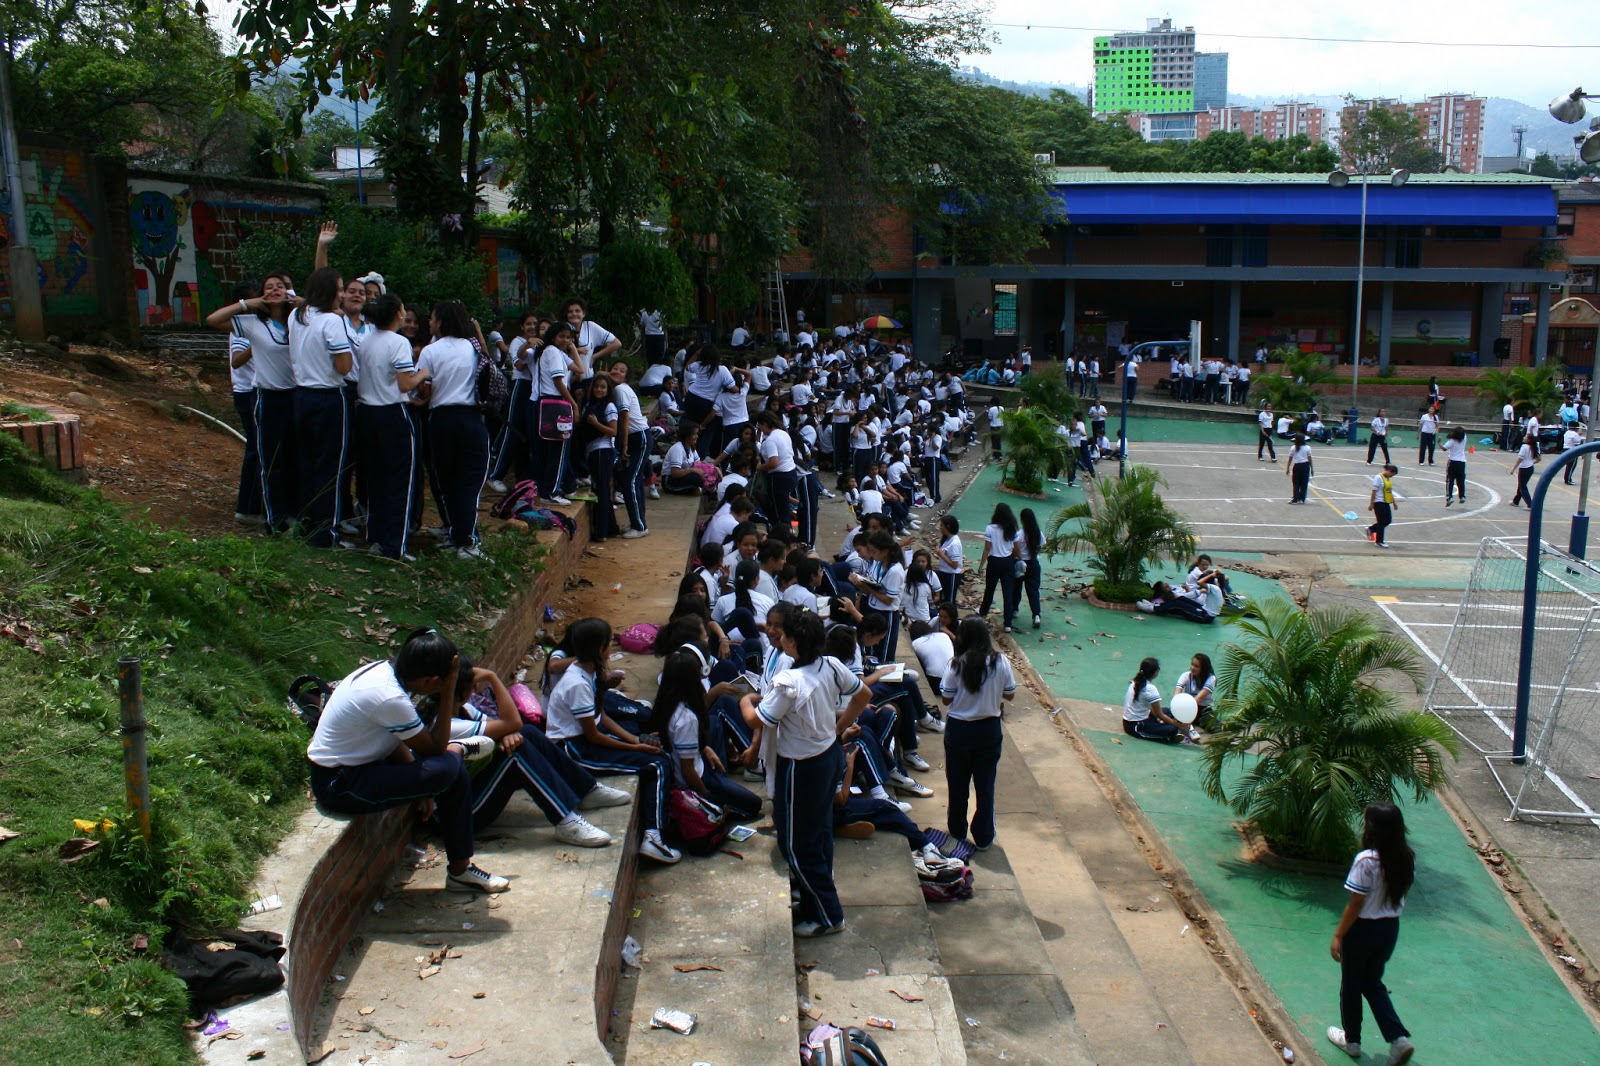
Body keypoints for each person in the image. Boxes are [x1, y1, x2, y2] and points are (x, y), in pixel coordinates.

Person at [307, 628, 510, 893]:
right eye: (441, 683)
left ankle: (461, 871)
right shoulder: (389, 697)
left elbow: (394, 739)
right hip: (340, 784)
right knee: (448, 765)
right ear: (429, 681)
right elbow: (435, 749)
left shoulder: (385, 672)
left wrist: (422, 786)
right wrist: (448, 694)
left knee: (451, 771)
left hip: (358, 767)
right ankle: (460, 749)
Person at [742, 610, 871, 937]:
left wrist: (745, 700)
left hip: (801, 767)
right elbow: (863, 695)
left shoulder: (790, 683)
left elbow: (757, 720)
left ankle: (828, 915)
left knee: (797, 843)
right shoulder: (831, 665)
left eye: (784, 634)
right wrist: (838, 728)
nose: (779, 637)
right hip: (827, 756)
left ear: (793, 642)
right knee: (819, 832)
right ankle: (815, 901)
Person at [443, 654, 627, 847]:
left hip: (474, 788)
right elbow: (511, 723)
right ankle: (566, 821)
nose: (476, 685)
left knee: (527, 732)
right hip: (460, 816)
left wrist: (506, 732)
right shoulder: (449, 724)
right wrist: (493, 678)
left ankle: (586, 790)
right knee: (516, 754)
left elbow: (508, 726)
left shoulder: (465, 709)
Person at [543, 618, 682, 864]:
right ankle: (653, 837)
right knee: (657, 764)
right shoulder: (576, 683)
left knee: (653, 747)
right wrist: (633, 747)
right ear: (600, 649)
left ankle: (664, 823)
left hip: (585, 740)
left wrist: (635, 740)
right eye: (609, 643)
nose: (611, 648)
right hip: (574, 750)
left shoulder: (588, 671)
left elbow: (602, 717)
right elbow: (593, 736)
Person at [1325, 802, 1417, 1066]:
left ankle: (1352, 1040)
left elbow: (1356, 904)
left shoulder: (1367, 860)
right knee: (1372, 982)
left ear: (1373, 828)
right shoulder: (1407, 857)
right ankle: (1398, 1039)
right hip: (1389, 929)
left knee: (1351, 985)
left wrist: (1338, 935)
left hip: (1363, 930)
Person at [417, 301, 492, 559]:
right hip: (470, 419)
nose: (429, 322)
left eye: (432, 318)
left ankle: (457, 536)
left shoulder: (430, 351)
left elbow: (423, 390)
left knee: (447, 481)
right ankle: (468, 542)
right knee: (470, 481)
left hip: (441, 420)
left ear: (440, 322)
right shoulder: (472, 348)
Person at [650, 649, 762, 819]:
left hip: (697, 761)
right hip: (697, 779)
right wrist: (707, 797)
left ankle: (721, 781)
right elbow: (688, 771)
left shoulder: (665, 704)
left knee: (715, 722)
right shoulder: (686, 718)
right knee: (754, 805)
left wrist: (705, 748)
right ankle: (719, 800)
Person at [938, 618, 1015, 852]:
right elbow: (1010, 694)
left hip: (959, 730)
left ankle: (957, 832)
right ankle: (983, 836)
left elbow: (946, 698)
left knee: (957, 785)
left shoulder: (955, 664)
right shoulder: (1000, 662)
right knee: (985, 785)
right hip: (988, 730)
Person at [580, 372, 622, 540]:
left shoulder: (609, 406)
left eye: (603, 387)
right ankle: (611, 528)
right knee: (601, 489)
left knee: (602, 491)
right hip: (592, 451)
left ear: (608, 390)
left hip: (602, 451)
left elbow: (613, 431)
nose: (599, 389)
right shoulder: (589, 405)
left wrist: (596, 424)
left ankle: (601, 532)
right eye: (596, 386)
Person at [977, 503, 1022, 632]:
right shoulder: (1012, 528)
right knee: (1008, 592)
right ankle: (1008, 623)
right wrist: (1020, 560)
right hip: (1008, 562)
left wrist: (981, 565)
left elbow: (987, 548)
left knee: (990, 589)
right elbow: (1016, 548)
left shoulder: (990, 528)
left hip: (994, 562)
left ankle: (983, 614)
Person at [1122, 657, 1188, 742]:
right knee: (1172, 729)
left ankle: (1160, 726)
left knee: (1168, 711)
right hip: (1136, 726)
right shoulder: (1150, 688)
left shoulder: (1135, 682)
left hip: (1130, 721)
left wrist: (1161, 719)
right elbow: (1159, 714)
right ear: (1156, 672)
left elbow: (1153, 710)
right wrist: (1178, 725)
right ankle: (1167, 736)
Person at [1173, 653, 1215, 735]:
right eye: (1192, 664)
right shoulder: (1185, 675)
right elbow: (1176, 694)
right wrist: (1176, 708)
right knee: (1168, 714)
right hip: (1186, 707)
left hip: (1203, 710)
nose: (1192, 668)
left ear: (1203, 668)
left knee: (1215, 727)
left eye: (1196, 666)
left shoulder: (1211, 678)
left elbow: (1198, 699)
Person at [1019, 508, 1045, 628]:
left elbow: (1014, 549)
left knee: (1016, 588)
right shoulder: (1038, 533)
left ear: (1022, 520)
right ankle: (1036, 615)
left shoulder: (1019, 534)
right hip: (1033, 563)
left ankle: (1014, 610)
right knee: (1033, 590)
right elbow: (1041, 547)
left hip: (1020, 563)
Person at [934, 514, 964, 603]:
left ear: (948, 526)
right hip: (945, 573)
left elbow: (955, 565)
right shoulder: (948, 539)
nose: (940, 528)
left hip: (952, 576)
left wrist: (940, 554)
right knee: (944, 598)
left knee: (949, 601)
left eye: (942, 525)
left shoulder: (954, 544)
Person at [1368, 463, 1399, 548]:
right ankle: (1379, 541)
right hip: (1379, 502)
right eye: (1392, 474)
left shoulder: (1387, 478)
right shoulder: (1378, 478)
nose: (1392, 476)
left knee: (1388, 520)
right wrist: (1371, 503)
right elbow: (1374, 491)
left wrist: (1394, 502)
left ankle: (1371, 529)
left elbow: (1389, 491)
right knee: (1381, 522)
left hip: (1386, 502)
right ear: (1389, 471)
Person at [1509, 431, 1538, 507]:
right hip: (1530, 468)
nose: (1524, 438)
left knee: (1522, 487)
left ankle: (1530, 504)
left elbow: (1520, 458)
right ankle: (1516, 501)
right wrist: (1531, 462)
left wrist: (1513, 468)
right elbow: (1539, 458)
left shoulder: (1524, 447)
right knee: (1521, 485)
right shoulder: (1533, 447)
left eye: (1525, 437)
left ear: (1529, 440)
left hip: (1524, 469)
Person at [1442, 425, 1468, 506]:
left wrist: (1439, 442)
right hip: (1462, 462)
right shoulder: (1464, 438)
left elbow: (1444, 448)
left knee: (1450, 480)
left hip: (1453, 461)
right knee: (1461, 480)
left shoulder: (1452, 441)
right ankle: (1462, 496)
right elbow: (1463, 431)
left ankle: (1449, 497)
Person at [1286, 433, 1314, 504]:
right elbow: (1310, 458)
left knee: (1296, 483)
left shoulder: (1293, 448)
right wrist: (1312, 468)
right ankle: (1302, 499)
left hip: (1297, 466)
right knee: (1304, 483)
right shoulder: (1307, 448)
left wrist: (1288, 467)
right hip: (1305, 466)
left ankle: (1295, 498)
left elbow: (1290, 458)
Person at [1564, 422, 1584, 486]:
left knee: (1568, 465)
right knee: (1571, 466)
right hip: (1572, 450)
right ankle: (1568, 480)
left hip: (1566, 449)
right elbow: (1578, 443)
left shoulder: (1567, 432)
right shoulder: (1574, 434)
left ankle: (1566, 478)